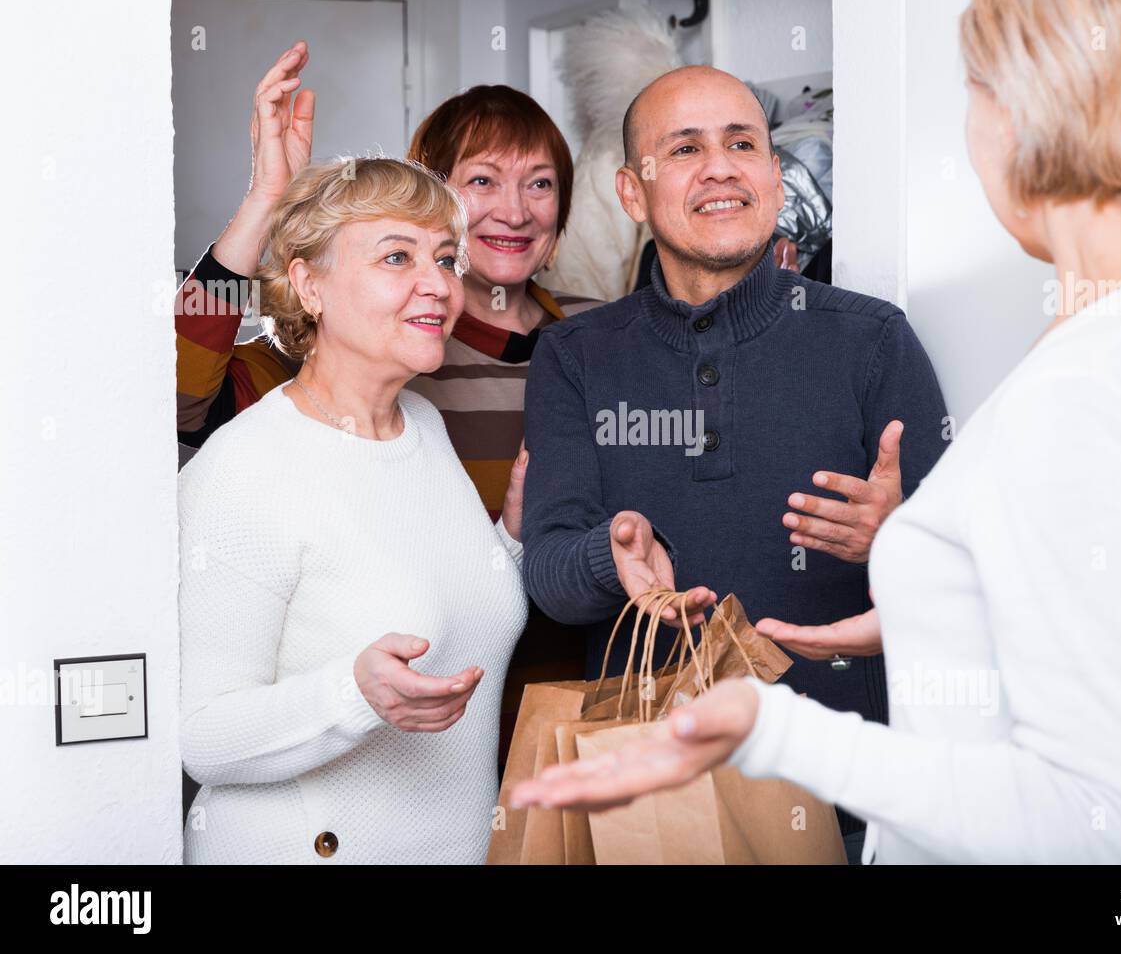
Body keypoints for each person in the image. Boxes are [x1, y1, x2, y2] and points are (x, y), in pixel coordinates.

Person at [511, 0, 1121, 865]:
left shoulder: (1079, 389)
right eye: (686, 148)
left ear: (1030, 115)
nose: (971, 133)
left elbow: (1090, 817)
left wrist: (772, 726)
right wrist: (913, 595)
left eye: (976, 95)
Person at [518, 64, 950, 854]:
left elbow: (971, 595)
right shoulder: (576, 357)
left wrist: (897, 542)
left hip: (845, 805)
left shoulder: (871, 339)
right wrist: (607, 559)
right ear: (631, 193)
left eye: (742, 143)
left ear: (776, 180)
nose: (720, 167)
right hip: (649, 809)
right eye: (684, 148)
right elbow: (545, 574)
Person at [173, 42, 600, 765]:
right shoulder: (365, 350)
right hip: (410, 742)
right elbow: (178, 394)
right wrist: (263, 202)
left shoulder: (595, 338)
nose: (514, 210)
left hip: (566, 713)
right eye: (483, 181)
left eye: (540, 184)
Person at [180, 157, 530, 864]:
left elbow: (451, 607)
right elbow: (199, 736)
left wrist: (512, 541)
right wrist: (353, 694)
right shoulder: (246, 465)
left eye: (445, 257)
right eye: (397, 256)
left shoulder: (424, 427)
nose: (438, 284)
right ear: (310, 285)